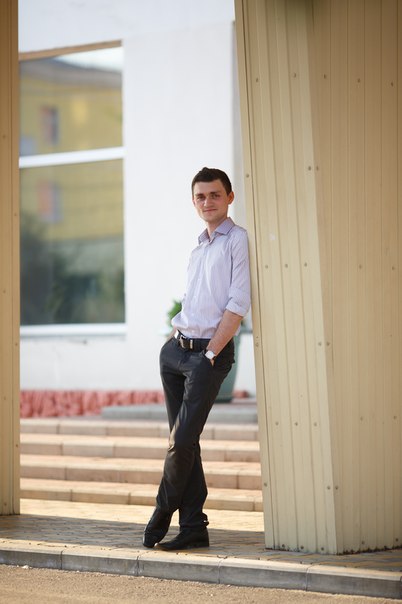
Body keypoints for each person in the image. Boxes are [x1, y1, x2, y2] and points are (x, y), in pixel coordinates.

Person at [143, 167, 251, 551]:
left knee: (180, 442)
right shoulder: (198, 248)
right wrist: (174, 343)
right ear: (194, 201)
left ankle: (162, 510)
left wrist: (209, 354)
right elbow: (194, 301)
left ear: (229, 197)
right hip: (175, 353)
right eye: (201, 196)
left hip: (208, 356)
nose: (208, 202)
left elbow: (238, 303)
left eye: (215, 194)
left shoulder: (237, 240)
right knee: (185, 443)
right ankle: (193, 527)